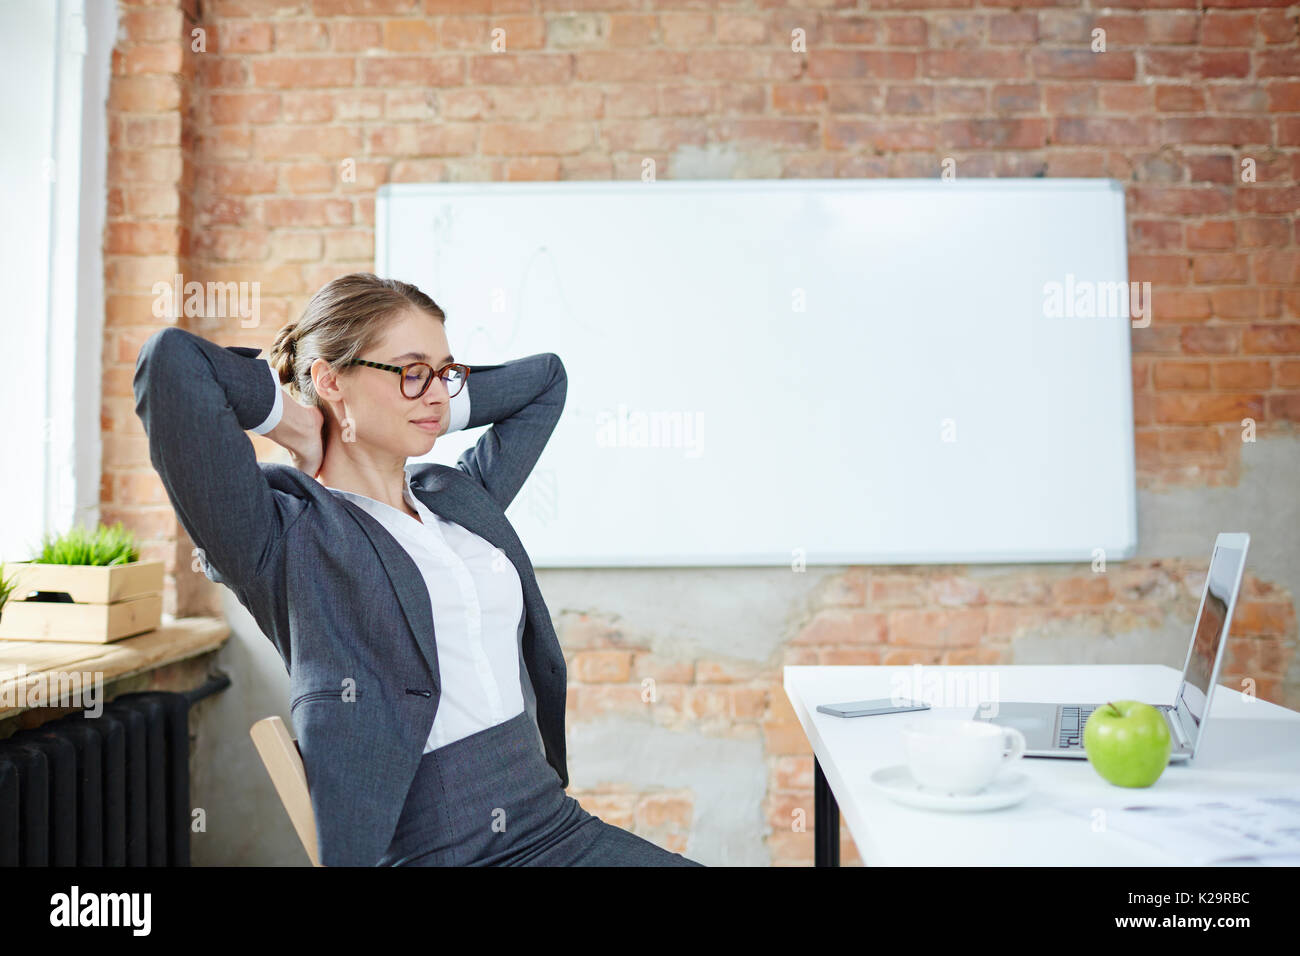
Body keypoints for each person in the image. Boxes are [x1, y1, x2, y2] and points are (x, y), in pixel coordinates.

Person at [133, 272, 703, 867]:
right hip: (439, 850)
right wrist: (293, 419)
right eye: (411, 371)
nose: (437, 394)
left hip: (551, 820)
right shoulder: (286, 538)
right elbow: (169, 364)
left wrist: (422, 400)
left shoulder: (455, 497)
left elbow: (545, 381)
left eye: (446, 374)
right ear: (331, 378)